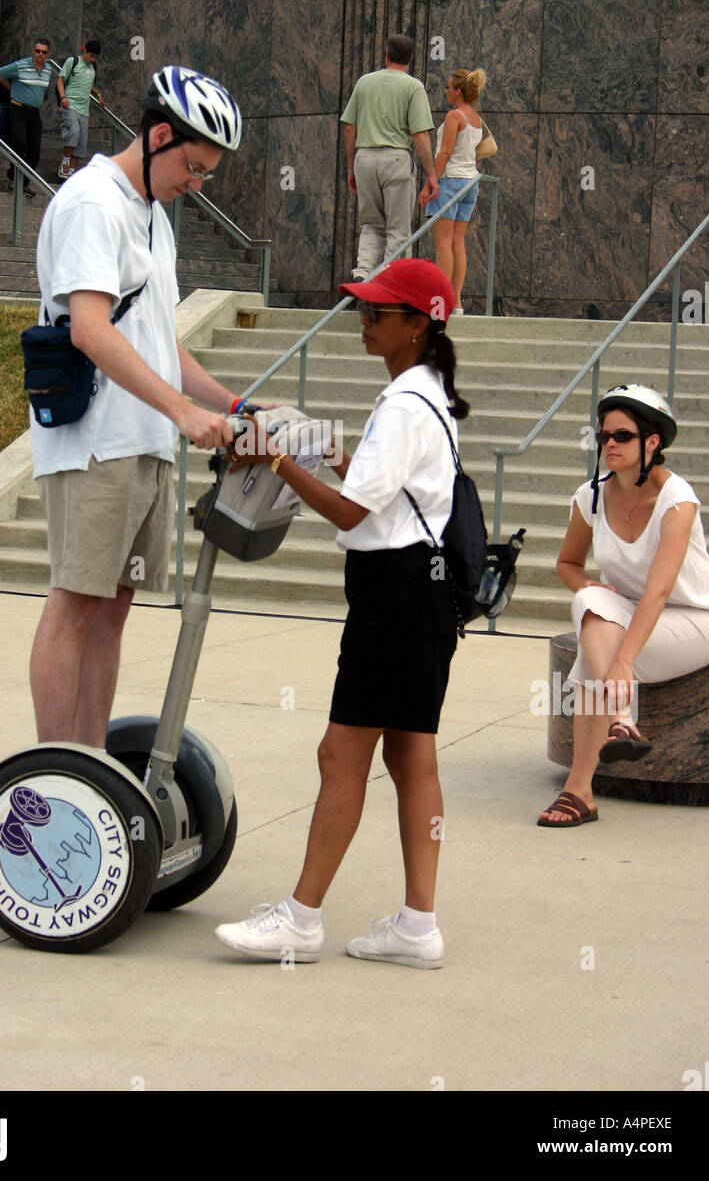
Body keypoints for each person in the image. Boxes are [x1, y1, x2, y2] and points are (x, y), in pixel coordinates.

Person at [215, 257, 466, 970]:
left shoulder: (406, 404)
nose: (365, 321)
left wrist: (278, 460)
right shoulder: (427, 396)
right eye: (363, 310)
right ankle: (418, 925)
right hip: (425, 591)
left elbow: (357, 510)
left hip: (394, 596)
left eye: (378, 313)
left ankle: (301, 917)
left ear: (418, 325)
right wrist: (331, 454)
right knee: (412, 754)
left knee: (341, 753)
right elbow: (384, 488)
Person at [29, 66, 261, 751]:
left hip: (146, 444)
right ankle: (54, 772)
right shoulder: (93, 202)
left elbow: (161, 343)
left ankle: (90, 761)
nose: (198, 183)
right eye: (193, 165)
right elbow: (89, 329)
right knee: (76, 606)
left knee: (113, 610)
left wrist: (233, 403)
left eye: (207, 173)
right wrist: (185, 416)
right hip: (96, 442)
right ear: (159, 135)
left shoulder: (154, 219)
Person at [538, 384, 709, 827]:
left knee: (592, 651)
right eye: (604, 437)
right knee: (587, 599)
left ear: (652, 441)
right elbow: (567, 565)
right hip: (632, 612)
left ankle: (580, 788)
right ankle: (616, 727)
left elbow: (659, 590)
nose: (610, 445)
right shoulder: (592, 496)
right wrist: (593, 586)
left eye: (622, 436)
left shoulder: (677, 499)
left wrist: (624, 662)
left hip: (699, 620)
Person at [341, 35, 437, 280]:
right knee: (398, 229)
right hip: (396, 160)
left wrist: (351, 168)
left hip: (364, 158)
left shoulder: (364, 83)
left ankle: (362, 273)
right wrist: (432, 174)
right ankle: (391, 279)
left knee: (371, 224)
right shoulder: (413, 87)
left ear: (386, 55)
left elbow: (350, 128)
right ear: (411, 59)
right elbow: (419, 135)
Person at [424, 67, 488, 314]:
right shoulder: (475, 117)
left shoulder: (454, 116)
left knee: (443, 243)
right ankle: (456, 301)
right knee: (458, 242)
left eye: (448, 87)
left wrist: (431, 180)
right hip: (470, 182)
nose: (446, 91)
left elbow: (445, 152)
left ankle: (440, 302)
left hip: (450, 181)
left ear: (458, 91)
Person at [0, 39, 53, 197]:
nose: (40, 54)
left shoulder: (48, 69)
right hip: (17, 108)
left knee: (35, 150)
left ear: (47, 54)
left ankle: (24, 182)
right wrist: (12, 89)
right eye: (37, 51)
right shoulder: (21, 64)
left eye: (44, 52)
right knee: (20, 143)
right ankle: (13, 178)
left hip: (34, 112)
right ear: (33, 51)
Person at [56, 39, 104, 180]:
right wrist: (63, 96)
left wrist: (98, 94)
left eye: (95, 57)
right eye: (91, 56)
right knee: (74, 132)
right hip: (70, 104)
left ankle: (71, 170)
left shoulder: (92, 67)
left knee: (82, 142)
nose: (92, 59)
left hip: (84, 108)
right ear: (85, 51)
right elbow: (60, 80)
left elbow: (87, 85)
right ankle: (65, 163)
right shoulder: (73, 61)